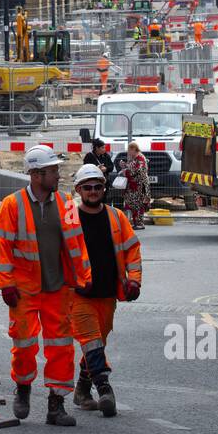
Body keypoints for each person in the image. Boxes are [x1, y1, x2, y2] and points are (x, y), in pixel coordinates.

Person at [0, 145, 88, 427]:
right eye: (53, 170)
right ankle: (23, 389)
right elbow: (2, 246)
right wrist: (6, 284)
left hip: (58, 288)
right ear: (36, 175)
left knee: (61, 346)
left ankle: (56, 405)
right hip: (23, 288)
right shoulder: (12, 204)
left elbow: (76, 243)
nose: (59, 175)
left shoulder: (67, 202)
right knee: (24, 344)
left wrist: (82, 278)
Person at [69, 164, 142, 416]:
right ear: (78, 189)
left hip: (108, 294)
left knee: (96, 344)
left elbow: (132, 248)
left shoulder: (116, 217)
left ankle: (81, 389)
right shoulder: (69, 217)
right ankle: (104, 389)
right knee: (90, 342)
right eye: (87, 187)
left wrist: (134, 280)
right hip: (78, 296)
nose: (93, 191)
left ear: (104, 188)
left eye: (97, 186)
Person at [113, 141, 152, 228]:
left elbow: (137, 170)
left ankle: (139, 223)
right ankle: (134, 222)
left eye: (129, 150)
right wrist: (124, 166)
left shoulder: (140, 158)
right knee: (131, 203)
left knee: (138, 203)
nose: (128, 152)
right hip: (133, 185)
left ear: (134, 149)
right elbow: (131, 167)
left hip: (139, 185)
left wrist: (125, 171)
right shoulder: (134, 158)